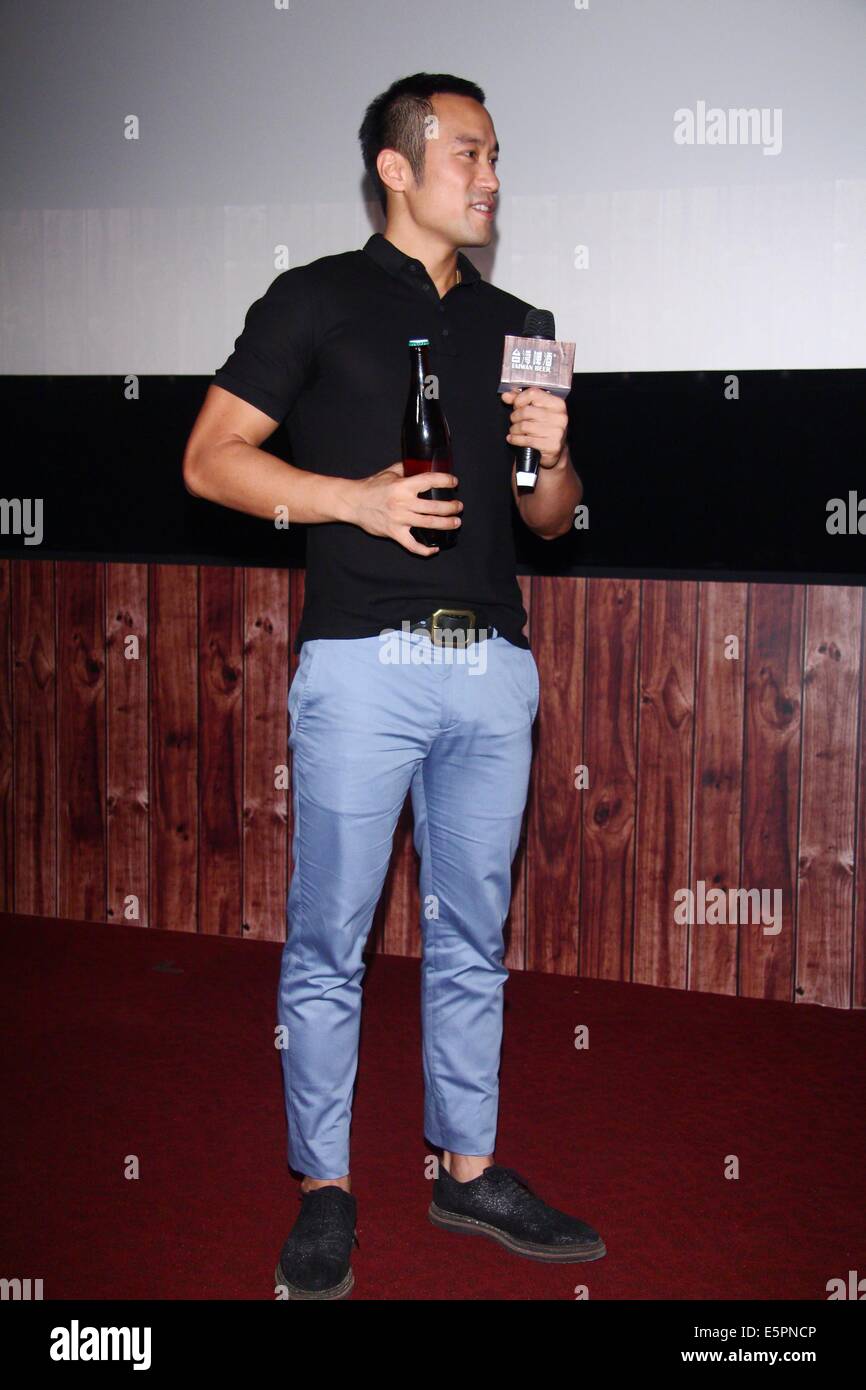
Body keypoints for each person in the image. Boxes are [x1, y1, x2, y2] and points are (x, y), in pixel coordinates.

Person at [182, 71, 603, 1300]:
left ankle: (464, 1170)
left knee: (473, 937)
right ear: (397, 168)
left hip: (491, 668)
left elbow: (551, 518)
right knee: (331, 939)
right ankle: (325, 1189)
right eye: (467, 152)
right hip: (363, 661)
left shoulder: (521, 317)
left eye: (494, 156)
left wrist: (557, 452)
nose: (489, 176)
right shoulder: (312, 298)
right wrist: (351, 498)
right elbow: (211, 460)